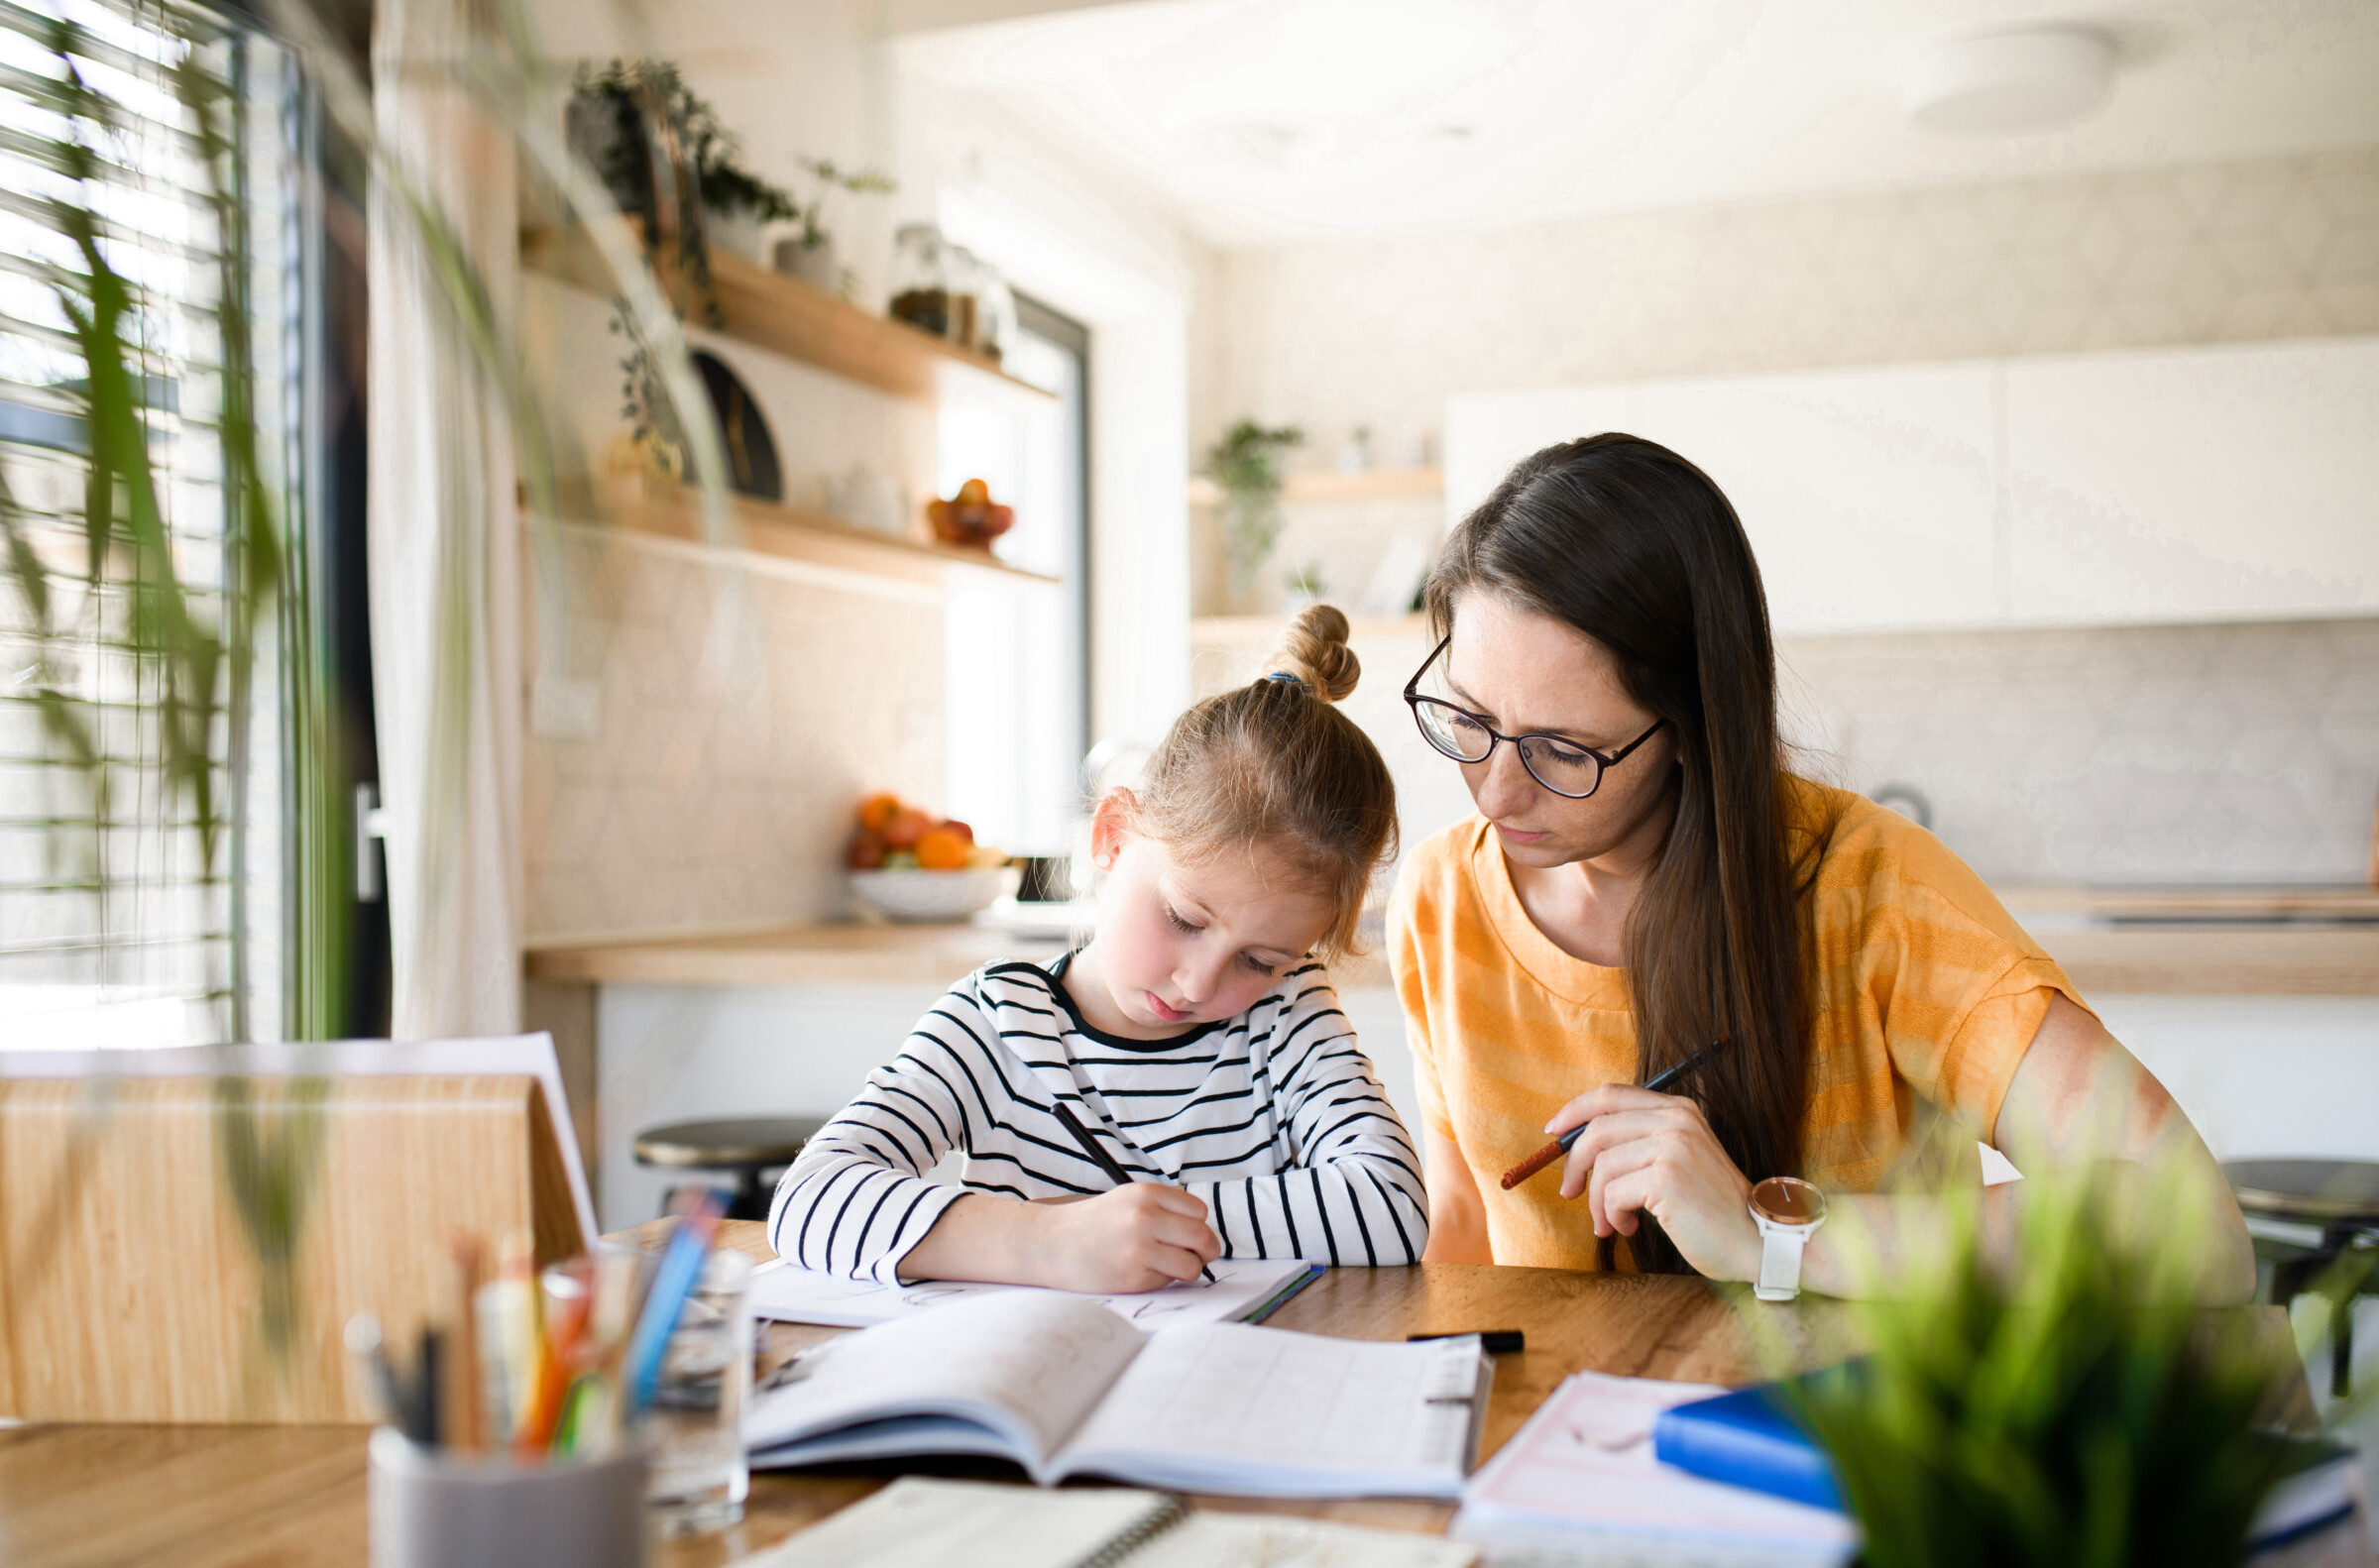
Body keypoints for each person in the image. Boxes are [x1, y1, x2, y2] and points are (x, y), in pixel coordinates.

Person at [1390, 434, 2253, 1300]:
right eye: (1468, 717)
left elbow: (2198, 1233)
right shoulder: (1438, 899)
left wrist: (1769, 1233)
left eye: (1562, 751)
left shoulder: (1877, 892)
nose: (1495, 794)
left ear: (1690, 727)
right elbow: (1462, 1242)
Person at [771, 606, 1428, 1290]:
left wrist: (1136, 1229)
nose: (1201, 985)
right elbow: (809, 1200)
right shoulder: (997, 1023)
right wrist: (1047, 1242)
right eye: (1183, 919)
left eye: (1259, 961)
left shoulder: (1286, 1016)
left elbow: (1393, 1205)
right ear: (1113, 835)